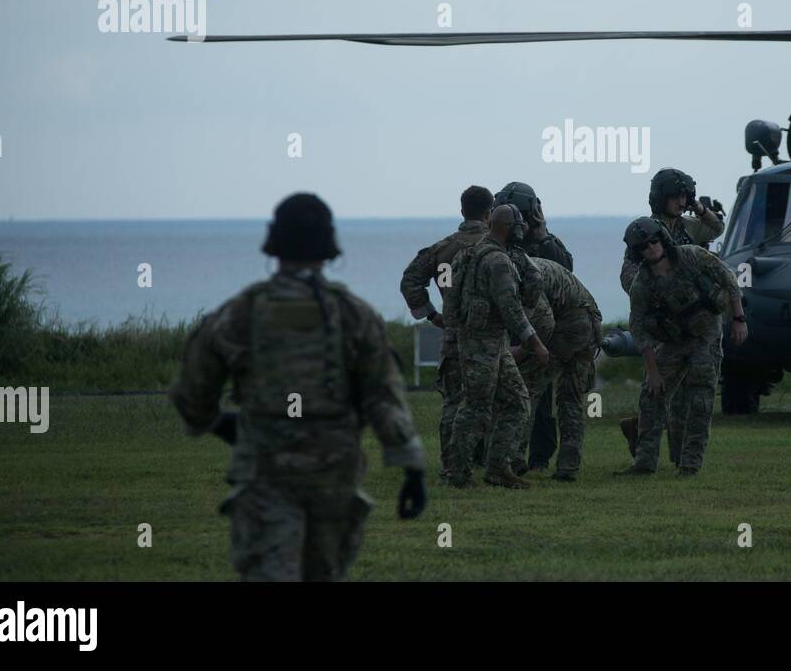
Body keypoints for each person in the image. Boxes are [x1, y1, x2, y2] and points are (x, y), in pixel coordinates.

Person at [169, 193, 426, 581]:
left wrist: (226, 425)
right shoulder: (354, 314)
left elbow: (191, 393)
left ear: (274, 242)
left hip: (265, 474)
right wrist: (411, 469)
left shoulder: (241, 312)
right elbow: (383, 398)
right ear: (329, 244)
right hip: (335, 477)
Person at [618, 217, 745, 477]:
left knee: (700, 400)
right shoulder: (642, 284)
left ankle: (690, 464)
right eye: (643, 246)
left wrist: (739, 319)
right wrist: (652, 372)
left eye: (654, 241)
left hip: (705, 335)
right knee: (651, 398)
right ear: (637, 252)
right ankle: (644, 462)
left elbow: (728, 278)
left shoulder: (692, 256)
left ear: (662, 239)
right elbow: (639, 328)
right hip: (673, 342)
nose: (651, 248)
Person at [617, 169, 725, 463]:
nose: (681, 202)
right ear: (660, 198)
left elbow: (716, 229)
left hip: (696, 320)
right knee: (666, 391)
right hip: (670, 325)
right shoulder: (646, 233)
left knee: (689, 393)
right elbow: (629, 277)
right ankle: (651, 444)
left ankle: (676, 455)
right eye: (675, 196)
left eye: (684, 196)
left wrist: (699, 207)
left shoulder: (689, 226)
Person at [443, 203, 550, 489]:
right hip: (483, 343)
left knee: (517, 402)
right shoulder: (498, 262)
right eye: (519, 226)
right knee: (475, 406)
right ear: (509, 228)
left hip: (488, 342)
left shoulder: (470, 253)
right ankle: (458, 475)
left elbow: (451, 297)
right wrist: (536, 344)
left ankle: (497, 468)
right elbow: (512, 309)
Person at [399, 185, 494, 479]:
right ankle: (491, 461)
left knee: (453, 400)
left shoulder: (442, 249)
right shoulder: (496, 247)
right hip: (492, 336)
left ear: (463, 211)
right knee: (495, 398)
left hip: (453, 332)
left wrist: (432, 315)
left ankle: (450, 463)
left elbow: (410, 281)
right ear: (490, 213)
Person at [494, 181, 573, 473]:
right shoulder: (498, 244)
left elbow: (565, 271)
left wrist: (542, 234)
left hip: (540, 328)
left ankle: (538, 457)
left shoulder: (547, 245)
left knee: (538, 398)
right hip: (511, 326)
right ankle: (500, 454)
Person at [512, 257, 602, 481]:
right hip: (588, 324)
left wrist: (521, 353)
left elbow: (544, 324)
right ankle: (568, 466)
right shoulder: (527, 265)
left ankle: (513, 459)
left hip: (569, 327)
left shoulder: (525, 277)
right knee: (570, 398)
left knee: (528, 388)